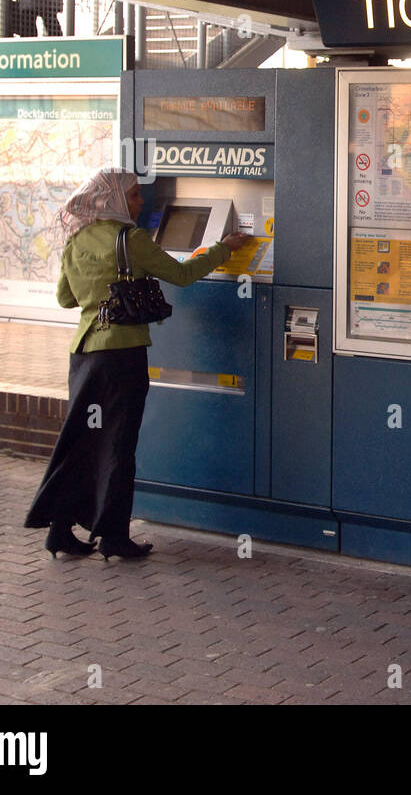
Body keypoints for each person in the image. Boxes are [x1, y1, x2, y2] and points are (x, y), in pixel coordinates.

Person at [24, 168, 251, 560]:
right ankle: (113, 537)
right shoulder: (131, 240)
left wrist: (98, 290)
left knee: (79, 441)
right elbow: (182, 274)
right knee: (118, 443)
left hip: (85, 354)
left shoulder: (77, 238)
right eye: (132, 196)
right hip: (121, 356)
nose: (140, 202)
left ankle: (59, 530)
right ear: (112, 200)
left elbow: (66, 299)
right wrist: (223, 248)